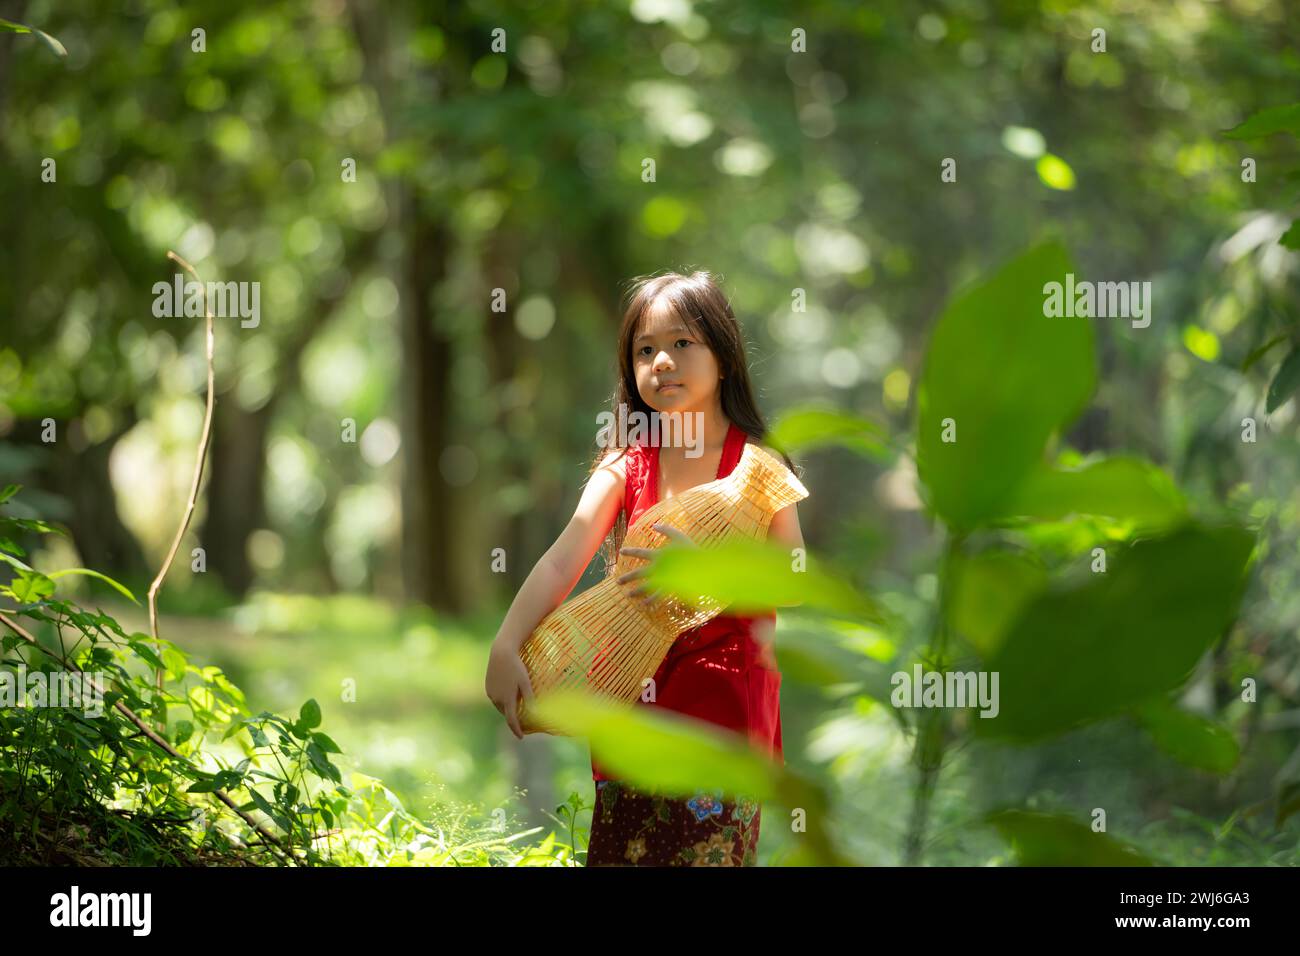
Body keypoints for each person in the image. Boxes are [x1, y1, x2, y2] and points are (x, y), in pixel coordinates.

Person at [484, 269, 806, 866]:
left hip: (725, 714)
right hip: (632, 702)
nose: (663, 361)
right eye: (645, 349)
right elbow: (563, 558)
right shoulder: (627, 465)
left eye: (684, 343)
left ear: (725, 357)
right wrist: (507, 641)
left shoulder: (757, 471)